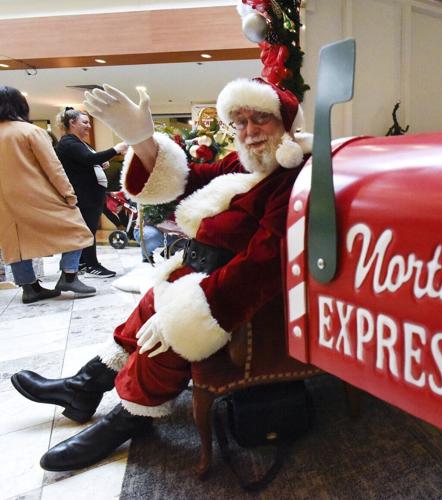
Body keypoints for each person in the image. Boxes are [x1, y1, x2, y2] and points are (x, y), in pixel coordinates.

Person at [11, 77, 311, 471]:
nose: (250, 131)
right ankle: (86, 387)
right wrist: (142, 142)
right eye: (240, 122)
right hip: (205, 273)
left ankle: (129, 417)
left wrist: (186, 313)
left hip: (244, 294)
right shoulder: (246, 162)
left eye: (261, 119)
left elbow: (264, 262)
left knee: (169, 334)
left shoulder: (295, 177)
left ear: (287, 122)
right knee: (150, 306)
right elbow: (190, 178)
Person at [0, 86, 97, 303]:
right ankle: (69, 275)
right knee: (78, 230)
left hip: (4, 202)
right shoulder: (30, 131)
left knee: (16, 242)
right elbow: (53, 167)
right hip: (37, 196)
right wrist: (68, 194)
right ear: (19, 105)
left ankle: (30, 288)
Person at [55, 107, 128, 278]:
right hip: (83, 196)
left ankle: (81, 263)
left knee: (88, 231)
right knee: (87, 232)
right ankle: (90, 265)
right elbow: (88, 159)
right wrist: (115, 150)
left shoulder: (80, 143)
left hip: (91, 195)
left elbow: (86, 161)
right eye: (85, 122)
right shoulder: (68, 143)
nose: (88, 126)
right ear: (72, 123)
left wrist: (100, 164)